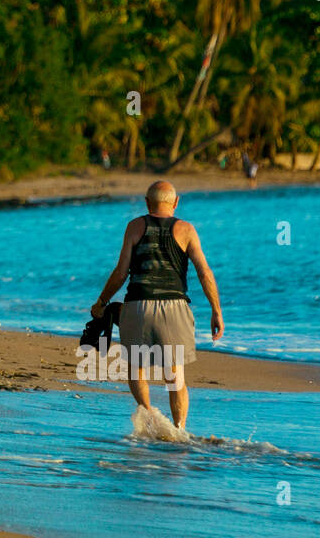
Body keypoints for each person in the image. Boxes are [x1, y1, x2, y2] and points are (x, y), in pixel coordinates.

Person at [90, 181, 224, 430]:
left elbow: (121, 273)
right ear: (175, 202)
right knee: (175, 376)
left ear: (146, 202)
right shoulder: (186, 229)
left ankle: (150, 415)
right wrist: (216, 311)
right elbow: (204, 272)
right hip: (174, 307)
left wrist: (102, 302)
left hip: (138, 304)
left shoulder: (134, 227)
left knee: (136, 368)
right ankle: (179, 429)